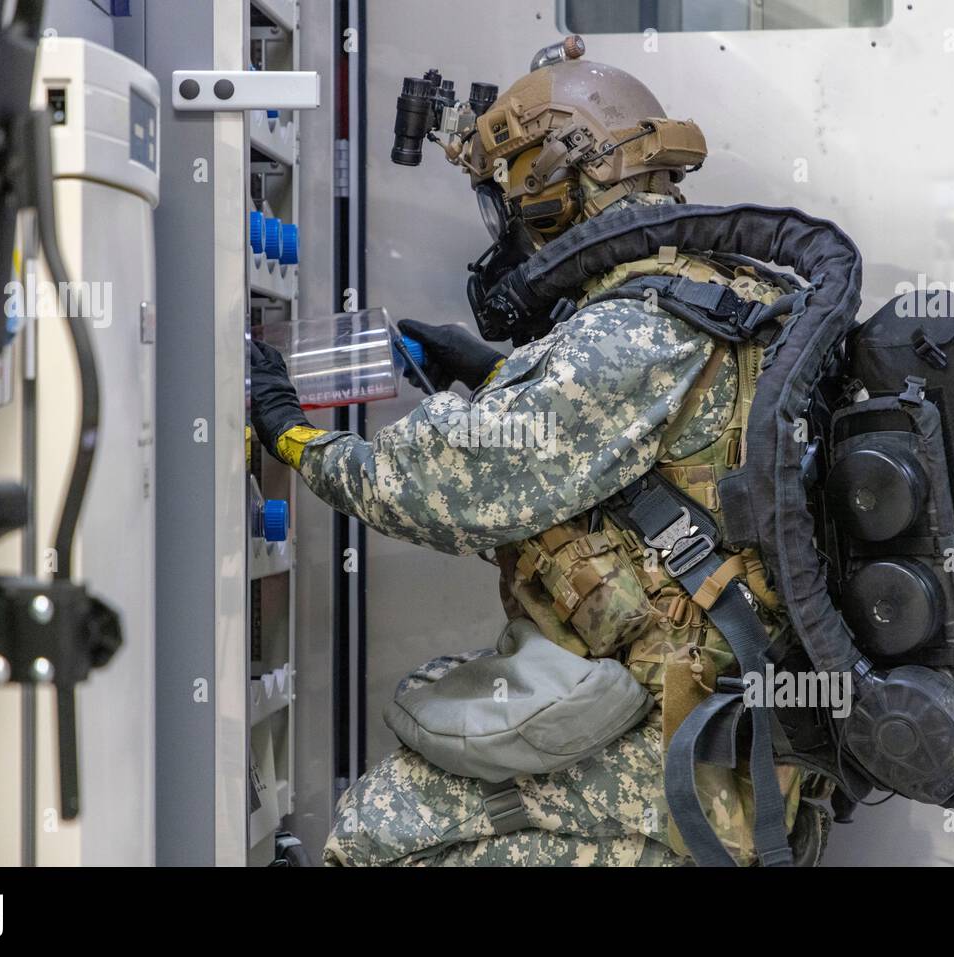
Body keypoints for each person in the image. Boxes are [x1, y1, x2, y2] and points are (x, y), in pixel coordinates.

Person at [250, 40, 833, 866]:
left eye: (506, 204)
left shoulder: (634, 326)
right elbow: (640, 444)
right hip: (735, 731)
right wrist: (492, 372)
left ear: (553, 195)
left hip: (688, 769)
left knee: (376, 828)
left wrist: (291, 432)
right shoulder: (729, 291)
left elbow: (435, 486)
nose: (507, 234)